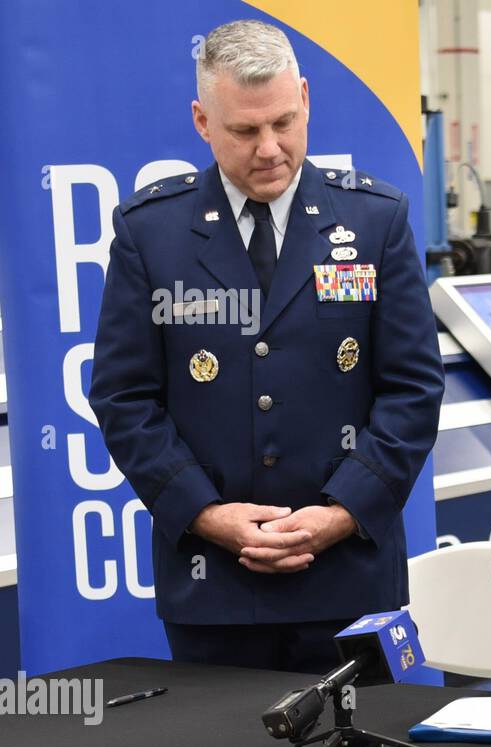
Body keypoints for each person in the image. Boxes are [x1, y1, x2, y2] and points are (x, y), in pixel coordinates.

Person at [89, 20, 444, 672]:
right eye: (245, 131)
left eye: (284, 122)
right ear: (202, 120)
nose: (271, 148)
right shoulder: (150, 233)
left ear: (305, 98)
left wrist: (340, 512)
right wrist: (206, 514)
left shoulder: (376, 220)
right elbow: (123, 396)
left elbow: (413, 389)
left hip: (350, 578)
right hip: (214, 587)